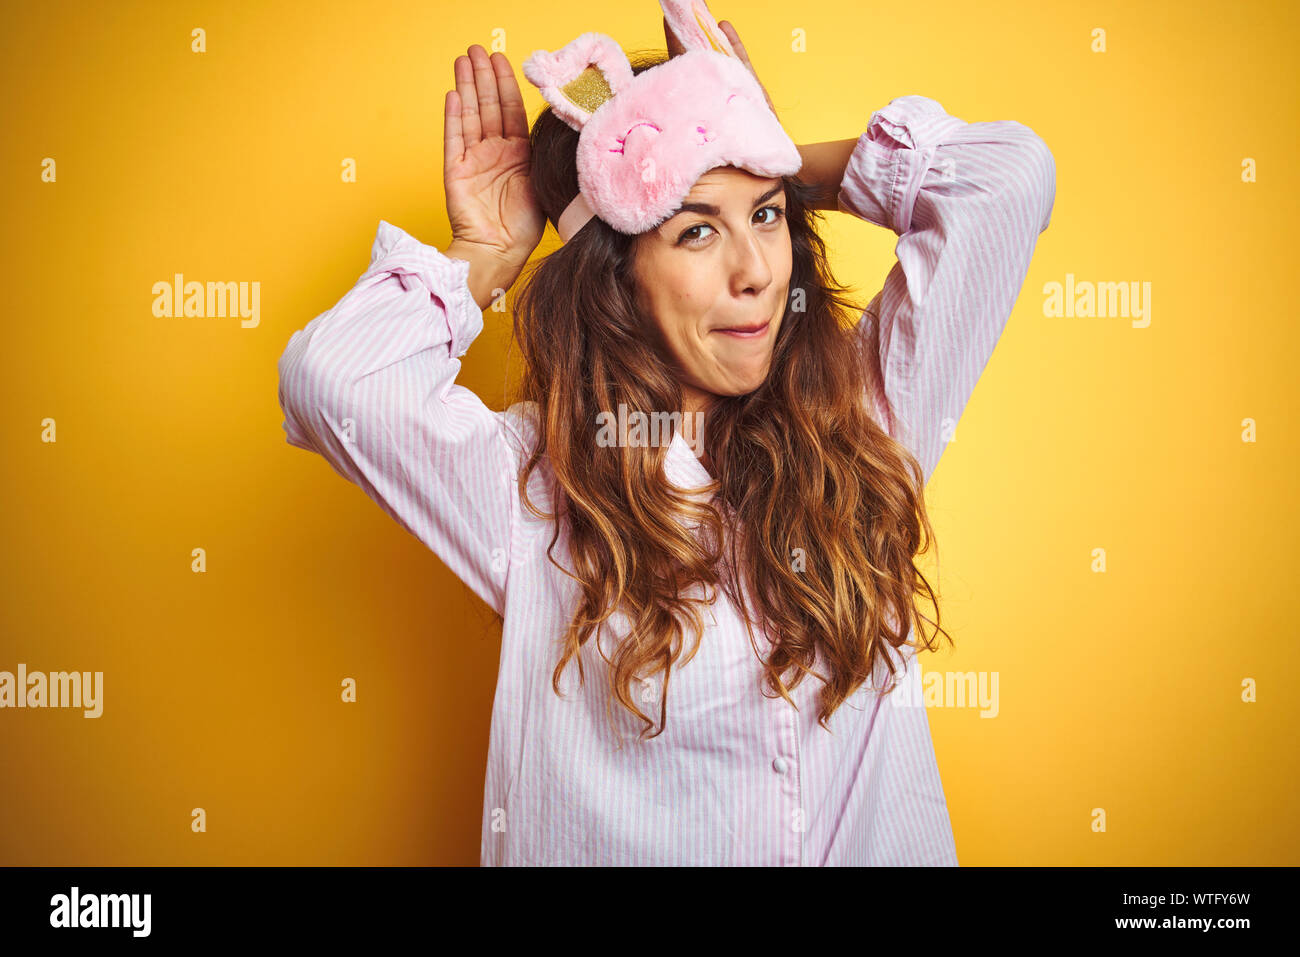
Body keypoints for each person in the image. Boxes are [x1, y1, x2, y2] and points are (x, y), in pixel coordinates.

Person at [276, 4, 1055, 865]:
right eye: (696, 230)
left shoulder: (862, 417)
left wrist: (775, 159)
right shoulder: (531, 491)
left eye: (765, 216)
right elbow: (335, 377)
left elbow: (1008, 180)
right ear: (616, 276)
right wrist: (486, 251)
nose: (755, 271)